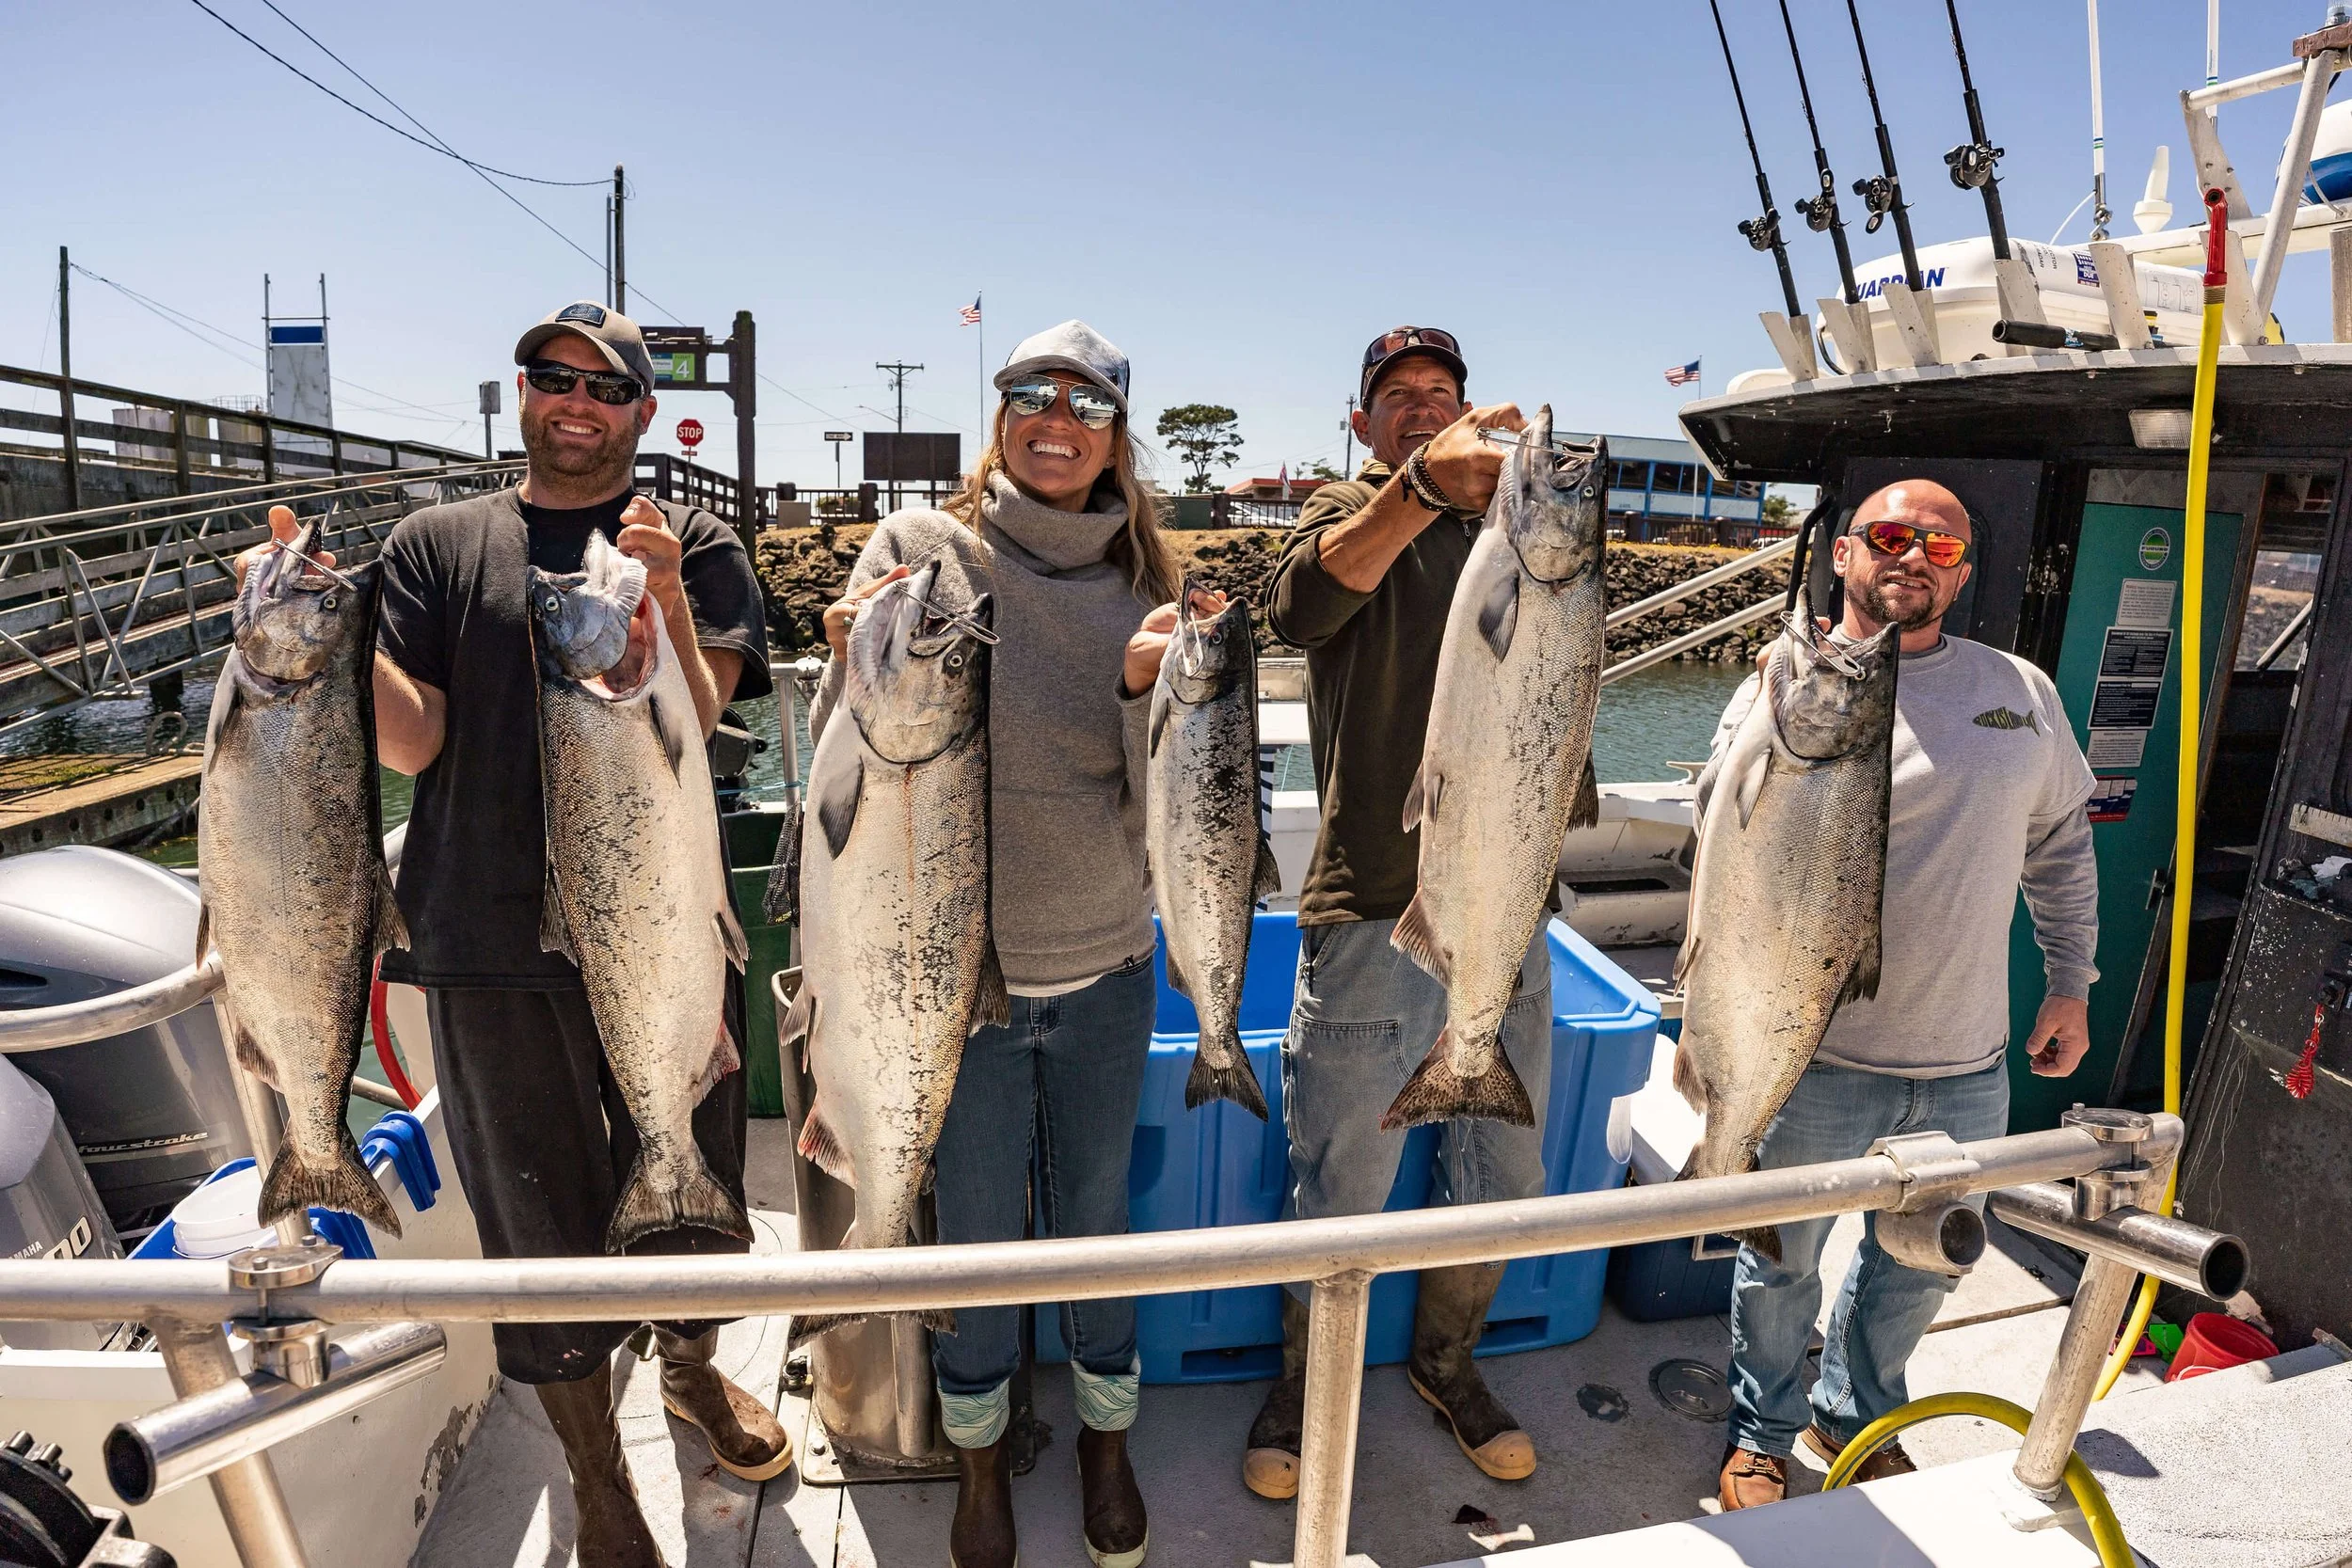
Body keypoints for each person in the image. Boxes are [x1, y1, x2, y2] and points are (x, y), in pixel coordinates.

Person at [242, 301, 785, 1568]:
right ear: (525, 391)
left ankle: (695, 1379)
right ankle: (599, 1482)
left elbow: (699, 722)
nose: (576, 402)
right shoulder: (438, 545)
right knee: (536, 1228)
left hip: (663, 936)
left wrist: (653, 590)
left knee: (691, 1185)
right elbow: (411, 737)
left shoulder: (693, 542)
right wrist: (306, 639)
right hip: (483, 938)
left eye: (607, 386)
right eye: (553, 377)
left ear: (644, 412)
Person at [814, 321, 1192, 1568]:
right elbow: (835, 758)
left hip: (1104, 968)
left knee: (1093, 1217)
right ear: (1002, 414)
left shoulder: (1152, 587)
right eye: (1033, 392)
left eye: (1085, 401)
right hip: (942, 984)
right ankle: (979, 1459)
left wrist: (1148, 698)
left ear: (1113, 434)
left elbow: (1172, 811)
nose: (1055, 415)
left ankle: (1104, 1438)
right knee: (972, 1226)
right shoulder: (920, 551)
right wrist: (840, 651)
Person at [1710, 479, 2100, 1510]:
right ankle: (1762, 1429)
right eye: (1889, 535)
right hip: (1810, 1055)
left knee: (1920, 1264)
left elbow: (2060, 843)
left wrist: (2070, 983)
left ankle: (1858, 1408)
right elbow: (1715, 820)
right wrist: (1759, 713)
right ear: (1843, 553)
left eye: (1938, 543)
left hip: (1966, 1059)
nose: (1912, 555)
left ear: (1963, 569)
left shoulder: (2019, 688)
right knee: (1781, 1259)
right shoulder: (1784, 677)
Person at [1250, 327, 1548, 1499]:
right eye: (1398, 398)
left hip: (1514, 903)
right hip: (1375, 902)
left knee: (1499, 1167)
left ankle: (1445, 1363)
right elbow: (1297, 609)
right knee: (1341, 1175)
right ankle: (1303, 1372)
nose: (1423, 409)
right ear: (1363, 423)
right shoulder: (1346, 509)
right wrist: (1422, 492)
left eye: (1443, 394)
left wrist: (1526, 492)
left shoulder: (1521, 525)